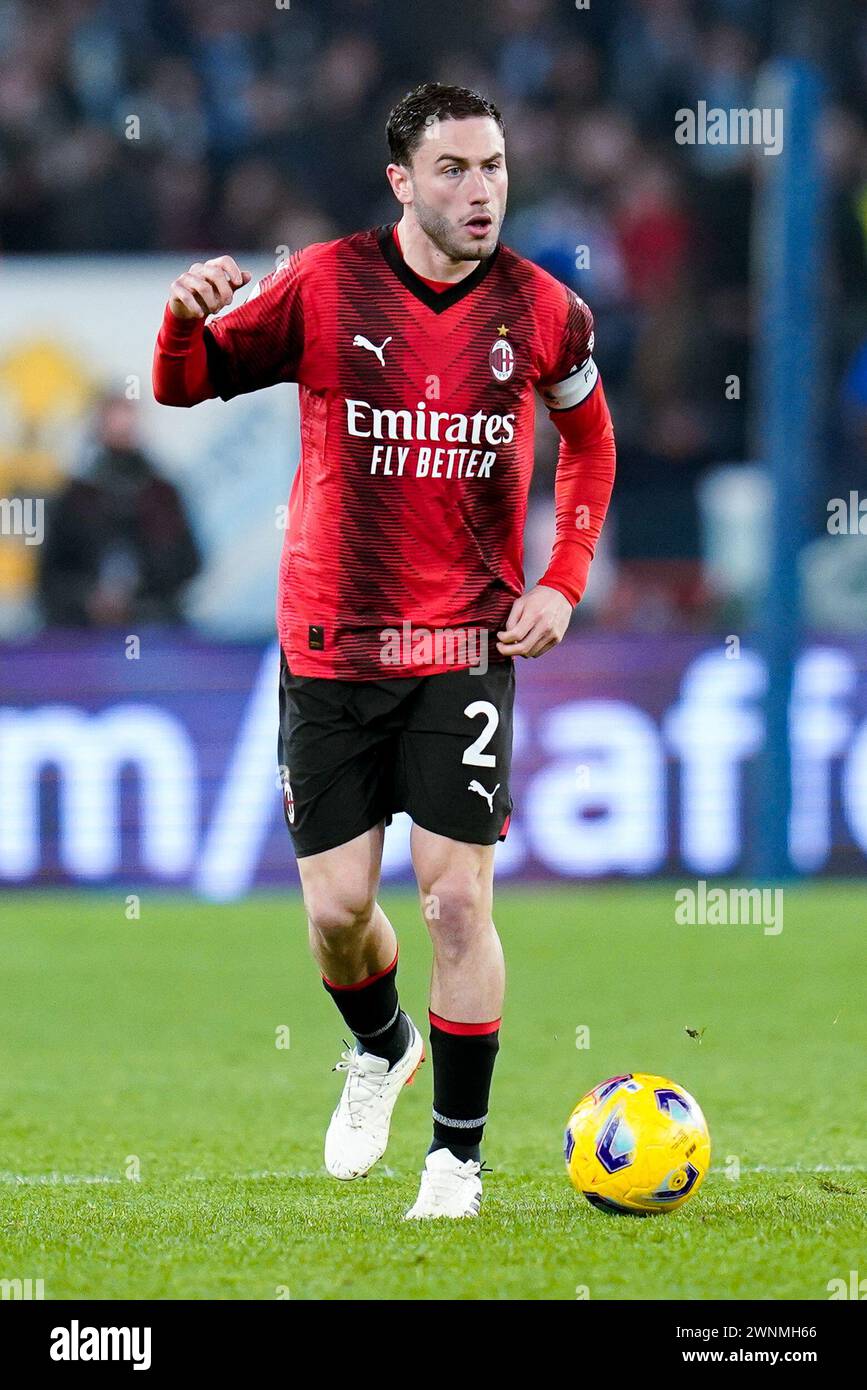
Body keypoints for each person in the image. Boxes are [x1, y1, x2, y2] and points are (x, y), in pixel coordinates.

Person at [152, 82, 616, 1219]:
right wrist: (182, 317)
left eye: (495, 166)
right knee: (340, 912)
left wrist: (562, 580)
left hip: (463, 644)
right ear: (402, 182)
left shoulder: (545, 309)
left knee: (456, 902)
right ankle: (380, 1045)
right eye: (454, 169)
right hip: (330, 644)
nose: (481, 190)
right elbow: (183, 381)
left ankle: (455, 1160)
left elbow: (590, 440)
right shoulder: (325, 284)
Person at [39, 394, 200, 628]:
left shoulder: (162, 495)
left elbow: (190, 563)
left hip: (156, 626)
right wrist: (88, 599)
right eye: (113, 424)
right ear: (98, 429)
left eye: (127, 424)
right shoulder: (75, 498)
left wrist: (141, 597)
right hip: (83, 632)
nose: (122, 432)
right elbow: (51, 574)